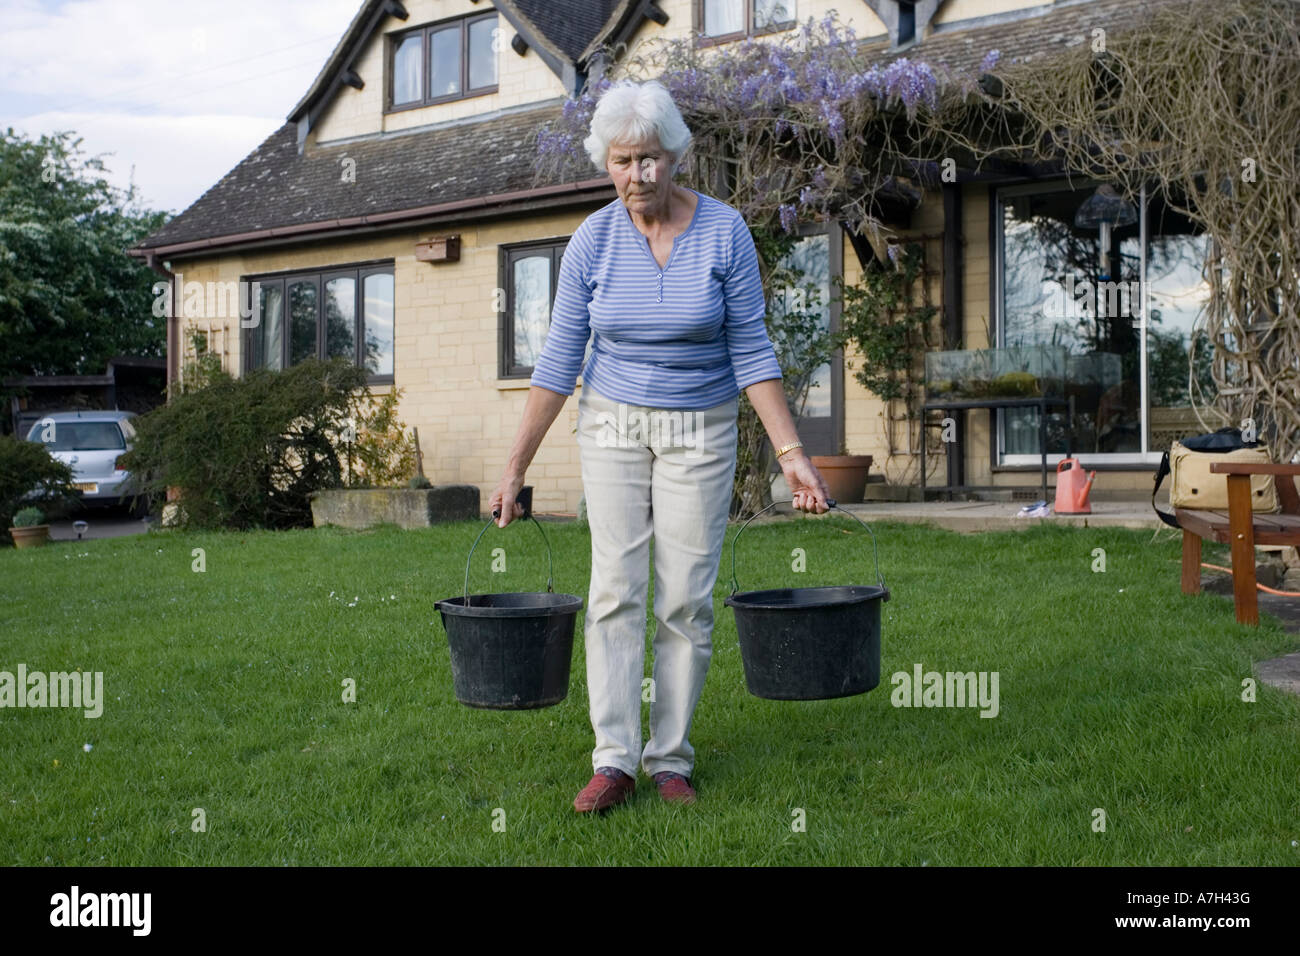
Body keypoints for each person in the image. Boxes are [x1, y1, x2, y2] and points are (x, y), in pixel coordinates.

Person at [489, 79, 831, 813]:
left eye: (648, 159)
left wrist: (792, 453)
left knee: (685, 596)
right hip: (611, 422)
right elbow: (558, 359)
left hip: (699, 427)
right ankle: (613, 759)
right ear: (605, 162)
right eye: (621, 161)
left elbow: (752, 347)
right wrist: (514, 466)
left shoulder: (723, 231)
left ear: (674, 156)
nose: (636, 176)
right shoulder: (592, 240)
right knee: (616, 587)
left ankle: (670, 757)